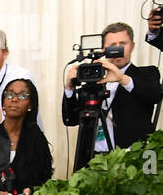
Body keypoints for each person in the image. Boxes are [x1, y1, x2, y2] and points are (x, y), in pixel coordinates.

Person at [62, 22, 162, 156]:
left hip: (134, 156)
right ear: (103, 50)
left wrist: (122, 78)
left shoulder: (147, 73)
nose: (117, 49)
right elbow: (71, 120)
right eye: (112, 46)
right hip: (94, 158)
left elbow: (154, 95)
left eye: (123, 44)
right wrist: (69, 89)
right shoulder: (93, 78)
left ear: (132, 46)